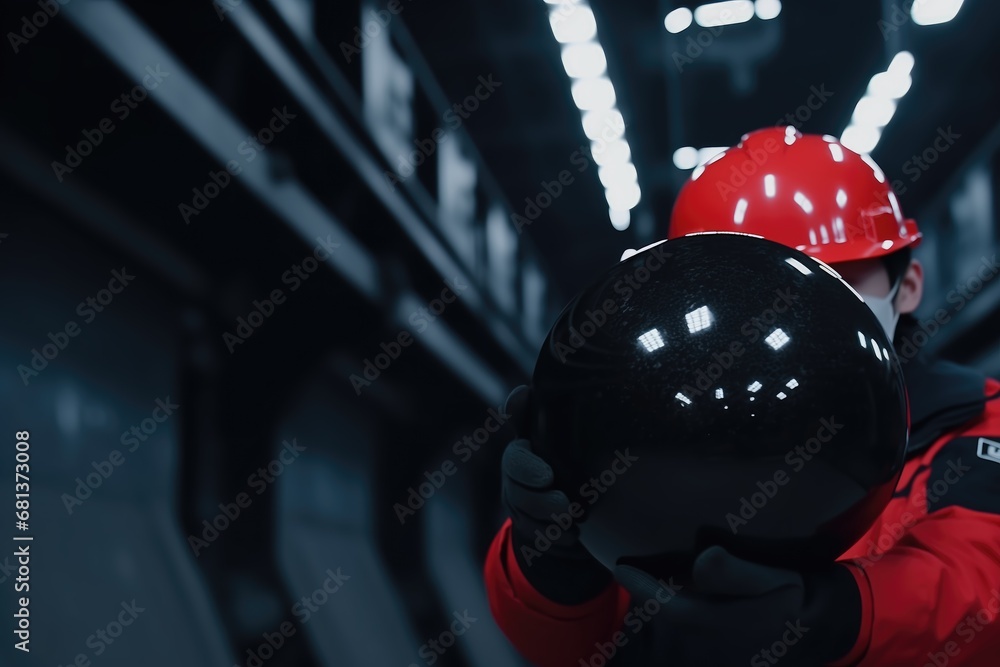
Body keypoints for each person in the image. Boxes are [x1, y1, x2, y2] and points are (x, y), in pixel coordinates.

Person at [484, 127, 1000, 666]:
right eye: (752, 289)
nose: (789, 313)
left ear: (909, 285)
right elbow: (570, 651)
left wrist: (837, 619)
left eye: (834, 278)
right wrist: (555, 567)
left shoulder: (979, 424)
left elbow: (982, 586)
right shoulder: (638, 443)